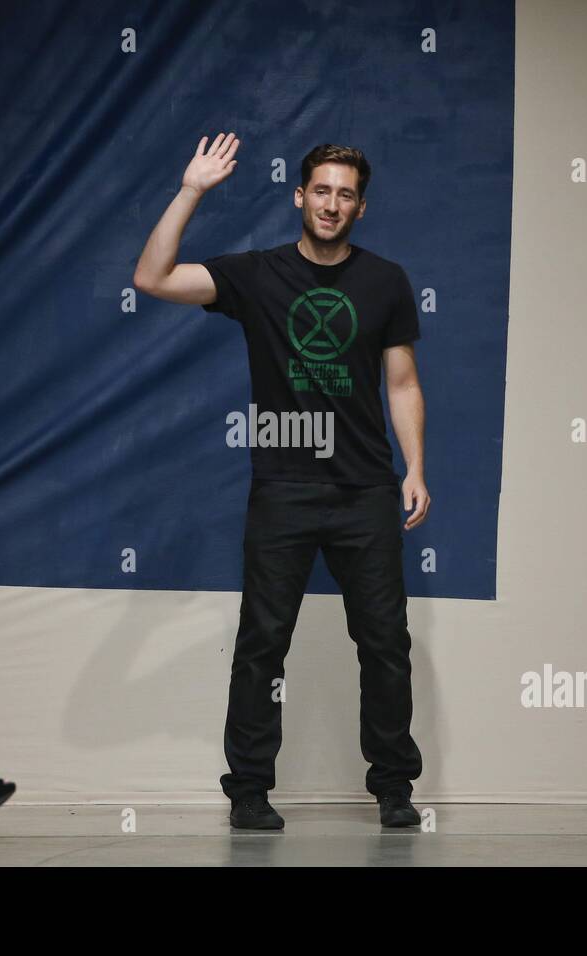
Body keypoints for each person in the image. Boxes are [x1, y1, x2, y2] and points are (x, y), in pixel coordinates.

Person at [133, 135, 430, 829]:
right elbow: (151, 277)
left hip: (366, 491)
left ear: (361, 206)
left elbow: (404, 381)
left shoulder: (385, 281)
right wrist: (192, 190)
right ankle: (249, 792)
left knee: (386, 642)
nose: (332, 204)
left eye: (345, 194)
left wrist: (416, 468)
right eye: (321, 191)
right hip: (284, 489)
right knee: (263, 643)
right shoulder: (257, 275)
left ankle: (393, 787)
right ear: (300, 196)